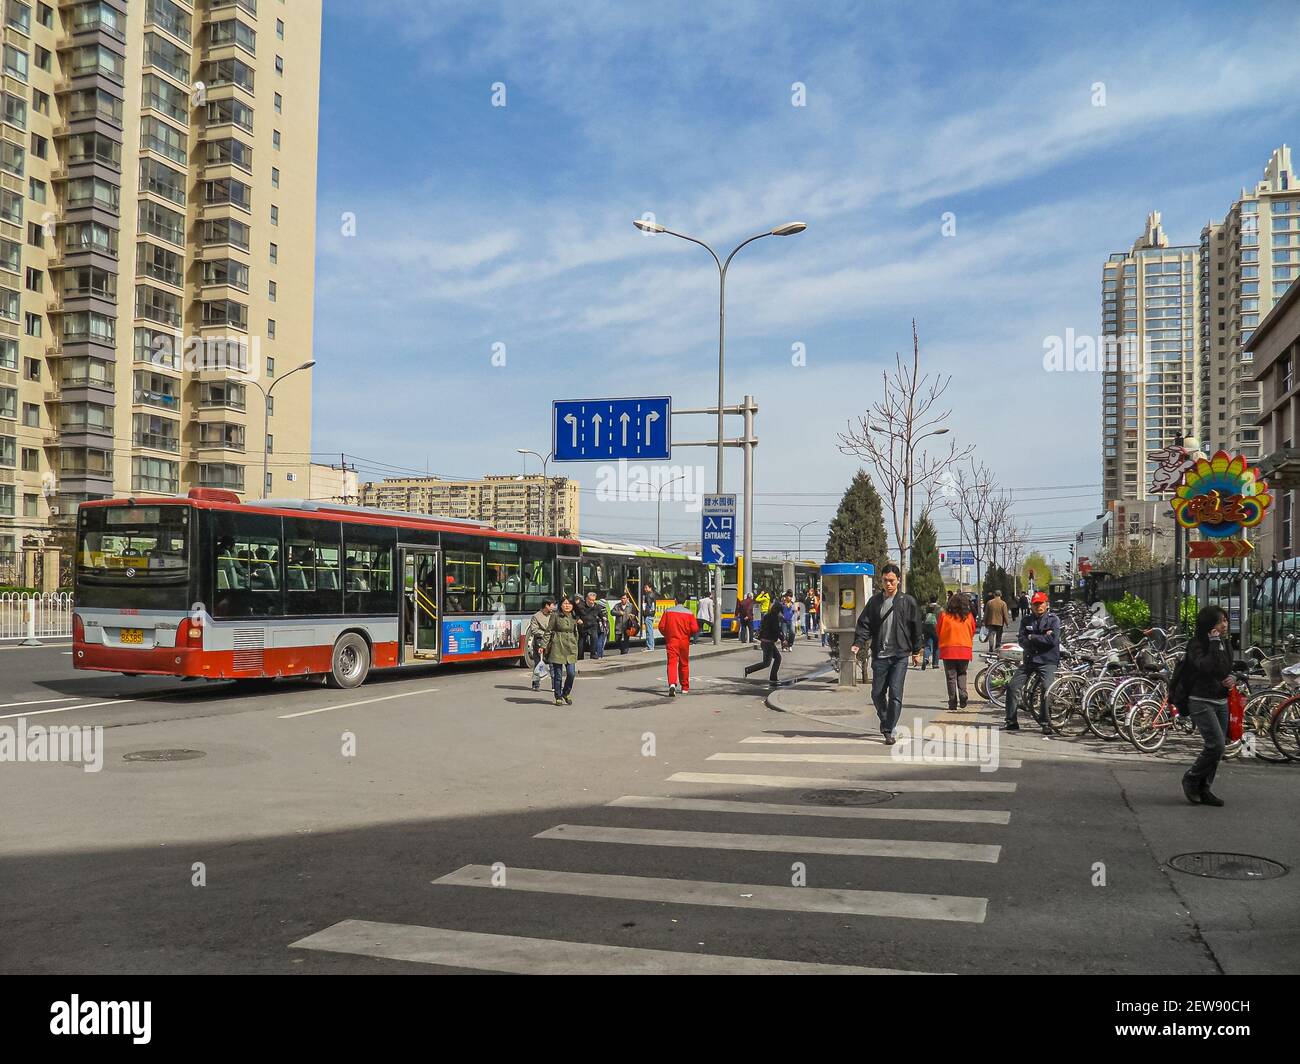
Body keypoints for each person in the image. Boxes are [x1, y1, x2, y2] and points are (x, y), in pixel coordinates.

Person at [849, 563, 922, 745]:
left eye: (891, 580)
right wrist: (858, 643)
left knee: (896, 694)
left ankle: (889, 729)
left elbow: (916, 628)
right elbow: (864, 624)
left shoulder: (907, 601)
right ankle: (886, 721)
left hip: (899, 656)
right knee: (876, 694)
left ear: (898, 580)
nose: (888, 584)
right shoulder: (875, 602)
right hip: (880, 655)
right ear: (881, 581)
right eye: (885, 580)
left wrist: (916, 651)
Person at [1179, 605, 1233, 807]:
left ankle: (1205, 788)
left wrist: (1232, 678)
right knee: (1216, 745)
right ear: (1210, 625)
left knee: (1219, 749)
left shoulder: (1224, 643)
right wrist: (1213, 643)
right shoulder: (1196, 644)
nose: (1225, 624)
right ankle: (1191, 777)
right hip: (1201, 700)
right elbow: (1205, 666)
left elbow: (1224, 667)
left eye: (1226, 620)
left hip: (1221, 700)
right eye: (1221, 621)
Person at [1005, 591, 1060, 735]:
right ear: (1031, 606)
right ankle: (1011, 720)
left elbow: (1052, 641)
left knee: (1047, 689)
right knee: (1012, 686)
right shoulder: (1026, 620)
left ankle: (1045, 722)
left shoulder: (1053, 620)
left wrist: (1032, 637)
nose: (1038, 607)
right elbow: (1022, 640)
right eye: (1035, 604)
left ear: (1046, 604)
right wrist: (1040, 637)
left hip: (1047, 660)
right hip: (1030, 659)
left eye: (1041, 603)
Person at [937, 592, 977, 710]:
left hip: (948, 649)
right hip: (965, 648)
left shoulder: (944, 616)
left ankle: (952, 701)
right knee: (962, 673)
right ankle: (963, 693)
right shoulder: (968, 617)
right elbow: (973, 631)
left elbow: (938, 631)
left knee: (950, 676)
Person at [542, 596, 580, 705]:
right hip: (557, 646)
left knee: (571, 673)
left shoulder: (574, 616)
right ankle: (558, 696)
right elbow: (548, 631)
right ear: (561, 605)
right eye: (565, 603)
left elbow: (575, 632)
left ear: (572, 606)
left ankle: (566, 693)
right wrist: (543, 646)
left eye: (569, 604)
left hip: (571, 647)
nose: (567, 605)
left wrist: (575, 644)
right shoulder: (555, 616)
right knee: (558, 675)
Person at [656, 600, 699, 696]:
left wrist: (667, 635)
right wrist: (688, 634)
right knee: (684, 664)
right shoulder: (689, 613)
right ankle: (684, 687)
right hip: (684, 641)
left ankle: (672, 684)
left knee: (672, 663)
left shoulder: (668, 612)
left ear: (675, 601)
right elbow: (695, 628)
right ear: (684, 601)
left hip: (672, 641)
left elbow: (661, 626)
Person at [744, 599, 785, 686]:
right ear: (778, 610)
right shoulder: (774, 618)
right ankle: (748, 670)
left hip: (765, 641)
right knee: (767, 663)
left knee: (777, 658)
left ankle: (773, 677)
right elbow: (776, 630)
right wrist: (782, 639)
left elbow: (770, 628)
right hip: (768, 642)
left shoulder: (767, 616)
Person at [525, 597, 555, 690]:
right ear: (547, 605)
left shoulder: (554, 615)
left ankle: (555, 686)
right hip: (539, 642)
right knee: (538, 664)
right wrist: (546, 633)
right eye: (552, 605)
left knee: (553, 664)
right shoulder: (536, 616)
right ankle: (535, 684)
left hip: (552, 642)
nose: (554, 606)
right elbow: (534, 630)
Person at [983, 589, 1009, 654]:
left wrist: (984, 621)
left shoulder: (989, 602)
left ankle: (991, 648)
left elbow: (986, 613)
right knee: (999, 636)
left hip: (990, 622)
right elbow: (1005, 614)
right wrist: (1007, 623)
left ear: (994, 595)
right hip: (1000, 622)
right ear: (1001, 595)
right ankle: (997, 648)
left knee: (991, 635)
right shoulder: (1003, 603)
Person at [921, 596, 940, 670]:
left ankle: (925, 658)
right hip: (937, 629)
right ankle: (935, 664)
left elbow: (921, 618)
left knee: (927, 645)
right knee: (937, 646)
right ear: (937, 600)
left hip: (927, 629)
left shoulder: (925, 608)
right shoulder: (939, 609)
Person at [641, 583, 658, 651]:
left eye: (646, 587)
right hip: (651, 615)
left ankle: (650, 646)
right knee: (649, 631)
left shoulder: (648, 595)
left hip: (648, 615)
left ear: (650, 588)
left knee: (649, 632)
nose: (645, 589)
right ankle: (649, 646)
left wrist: (645, 613)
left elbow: (648, 605)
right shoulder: (652, 594)